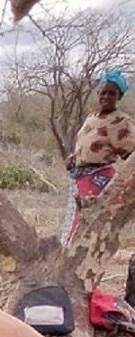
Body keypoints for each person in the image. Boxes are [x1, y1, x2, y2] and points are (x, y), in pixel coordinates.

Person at [62, 70, 135, 244]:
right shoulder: (91, 118)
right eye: (104, 92)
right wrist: (74, 157)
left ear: (119, 96)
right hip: (79, 176)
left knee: (85, 225)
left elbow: (130, 153)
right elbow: (87, 144)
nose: (106, 97)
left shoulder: (120, 121)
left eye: (112, 93)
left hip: (97, 178)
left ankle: (76, 265)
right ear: (98, 94)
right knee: (74, 222)